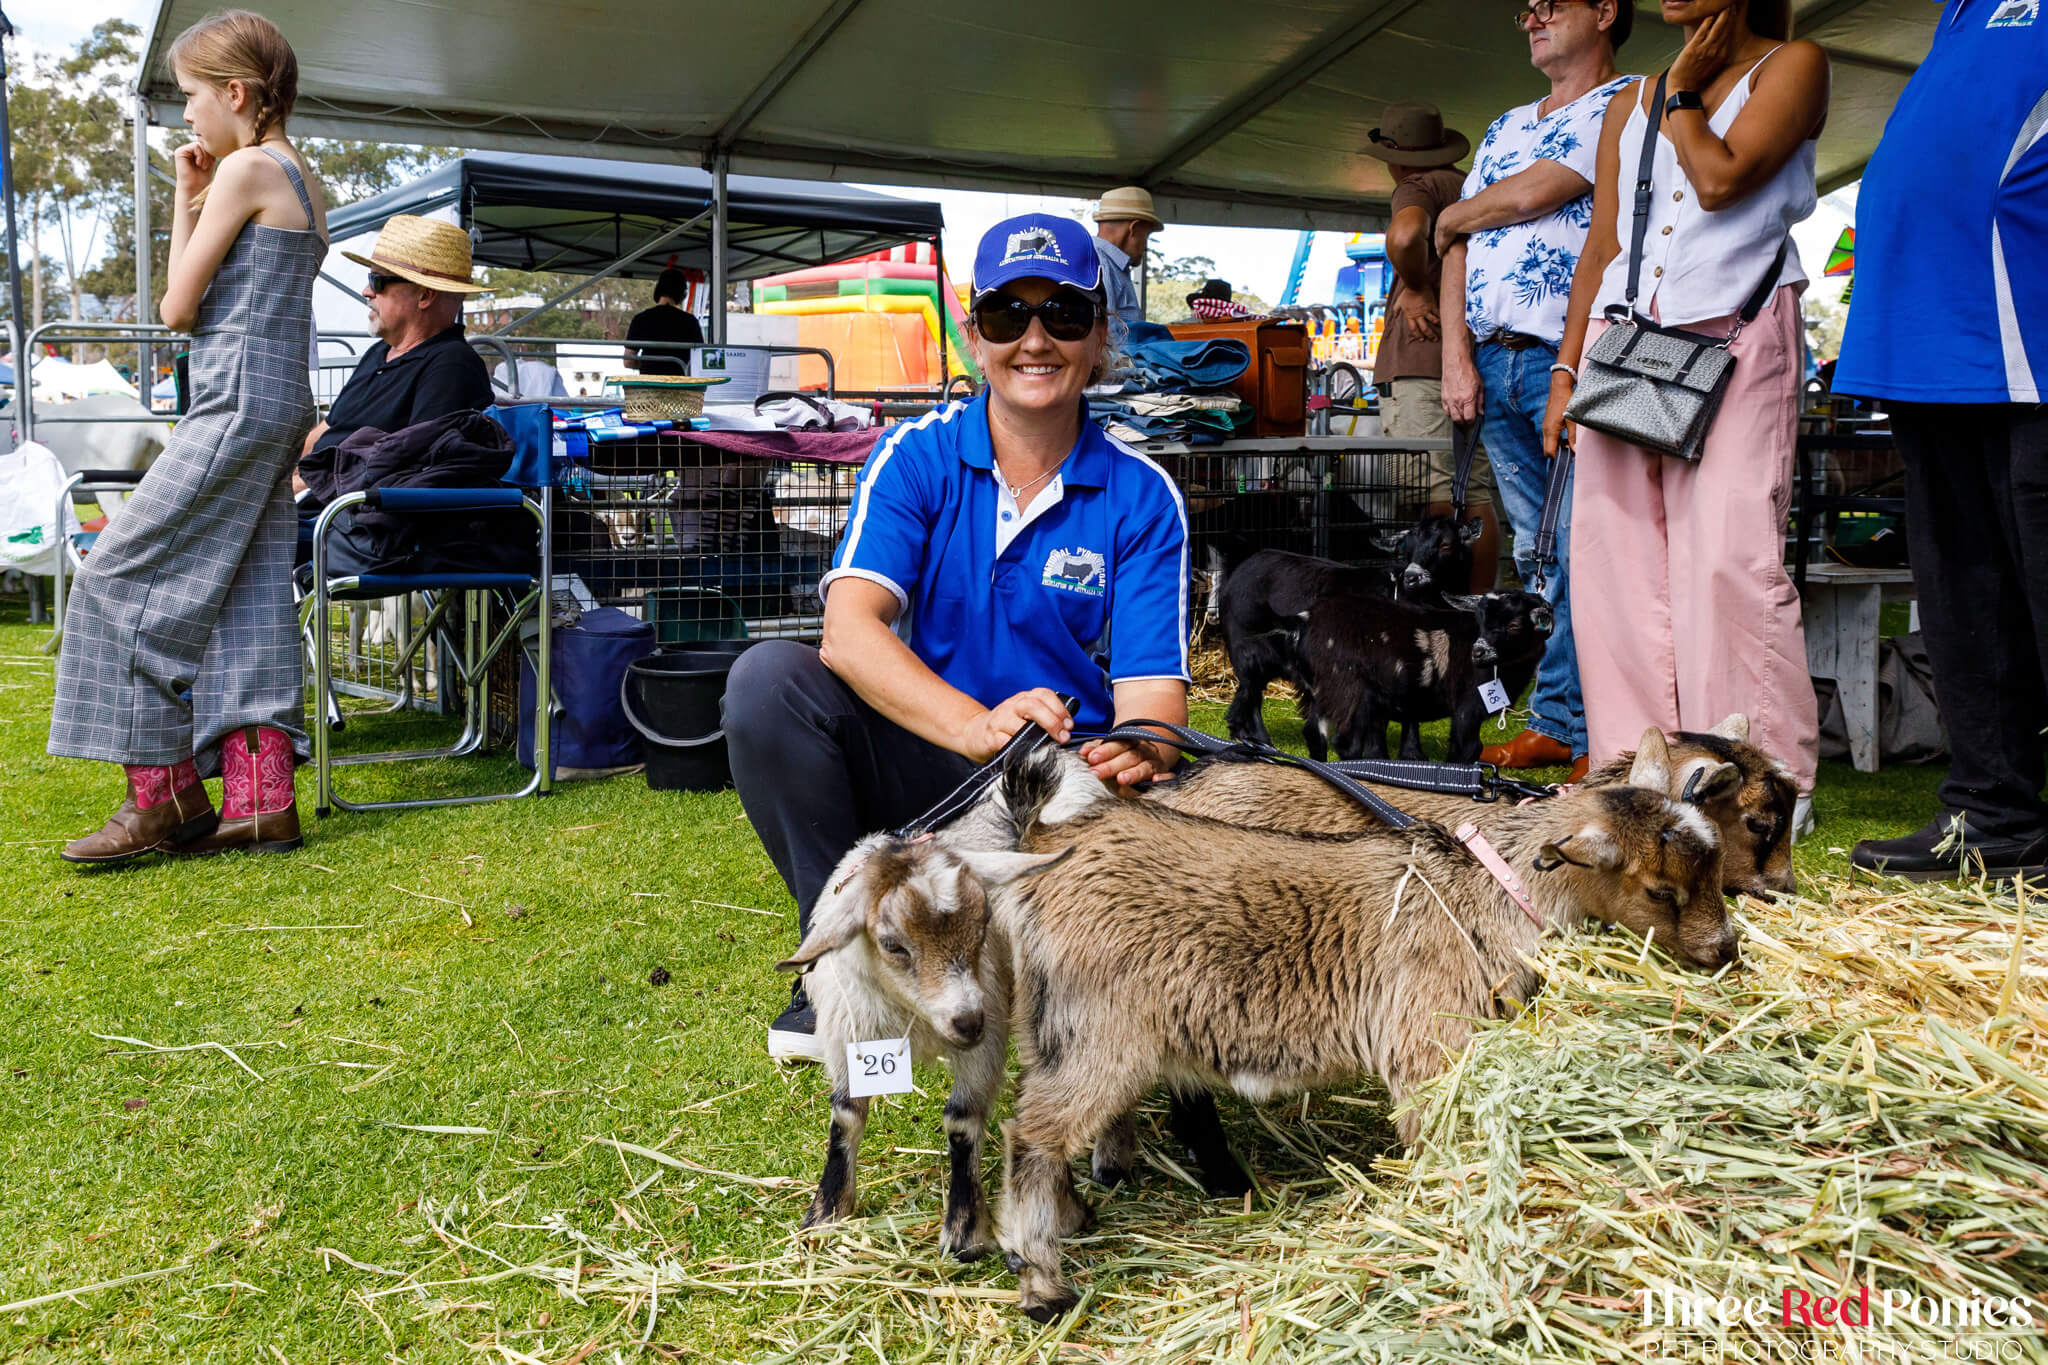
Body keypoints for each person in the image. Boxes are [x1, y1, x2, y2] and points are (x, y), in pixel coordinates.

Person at [724, 213, 1191, 1062]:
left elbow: (1155, 698)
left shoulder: (1143, 493)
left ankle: (1055, 977)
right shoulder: (916, 456)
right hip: (929, 756)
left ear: (1099, 338)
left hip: (1050, 786)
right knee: (767, 682)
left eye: (1065, 315)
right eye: (1011, 315)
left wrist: (1142, 748)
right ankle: (840, 972)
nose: (1036, 340)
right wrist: (978, 727)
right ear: (975, 334)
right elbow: (847, 631)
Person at [49, 10, 327, 862]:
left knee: (111, 577)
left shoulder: (245, 166)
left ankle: (162, 796)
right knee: (246, 598)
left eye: (193, 97)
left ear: (237, 93)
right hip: (276, 402)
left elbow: (177, 308)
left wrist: (189, 192)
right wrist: (185, 189)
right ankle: (259, 801)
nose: (187, 117)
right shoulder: (297, 172)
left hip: (235, 402)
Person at [1545, 0, 1828, 832]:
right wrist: (1567, 370)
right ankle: (1642, 780)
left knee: (1730, 562)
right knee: (1615, 573)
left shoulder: (1795, 63)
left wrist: (1685, 95)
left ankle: (1759, 782)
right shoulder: (1627, 98)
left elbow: (1719, 177)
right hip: (1625, 342)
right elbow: (1602, 245)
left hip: (1736, 332)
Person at [1834, 2, 2048, 880]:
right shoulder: (1961, 12)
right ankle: (1990, 815)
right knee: (1962, 600)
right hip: (1930, 342)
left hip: (2027, 334)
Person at [1435, 0, 1639, 779]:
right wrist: (1456, 354)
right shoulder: (1502, 125)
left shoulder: (1628, 102)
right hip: (1496, 357)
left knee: (1593, 549)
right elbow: (1453, 244)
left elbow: (1534, 194)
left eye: (1551, 4)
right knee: (1539, 552)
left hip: (1578, 353)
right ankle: (1559, 722)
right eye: (1525, 9)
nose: (1532, 18)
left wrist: (1456, 212)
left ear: (1606, 10)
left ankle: (1600, 734)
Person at [1360, 101, 1502, 595]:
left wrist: (1415, 287)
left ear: (1397, 157)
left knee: (1432, 491)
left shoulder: (1415, 186)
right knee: (1476, 490)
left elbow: (1403, 235)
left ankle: (1446, 611)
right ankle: (1480, 607)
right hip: (1470, 355)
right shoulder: (1472, 183)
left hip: (1422, 360)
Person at [293, 213, 493, 530]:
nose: (366, 291)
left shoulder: (452, 365)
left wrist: (295, 487)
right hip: (318, 502)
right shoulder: (379, 352)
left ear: (425, 295)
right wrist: (280, 475)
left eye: (378, 281)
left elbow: (404, 463)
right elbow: (329, 426)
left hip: (345, 515)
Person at [1092, 186, 1163, 326]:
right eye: (1146, 236)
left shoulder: (1113, 265)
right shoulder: (1099, 263)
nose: (1146, 248)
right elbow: (1110, 338)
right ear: (1134, 229)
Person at [623, 267, 705, 376]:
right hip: (680, 385)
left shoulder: (640, 319)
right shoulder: (690, 321)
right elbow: (700, 359)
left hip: (650, 384)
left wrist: (648, 364)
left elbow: (628, 361)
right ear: (682, 293)